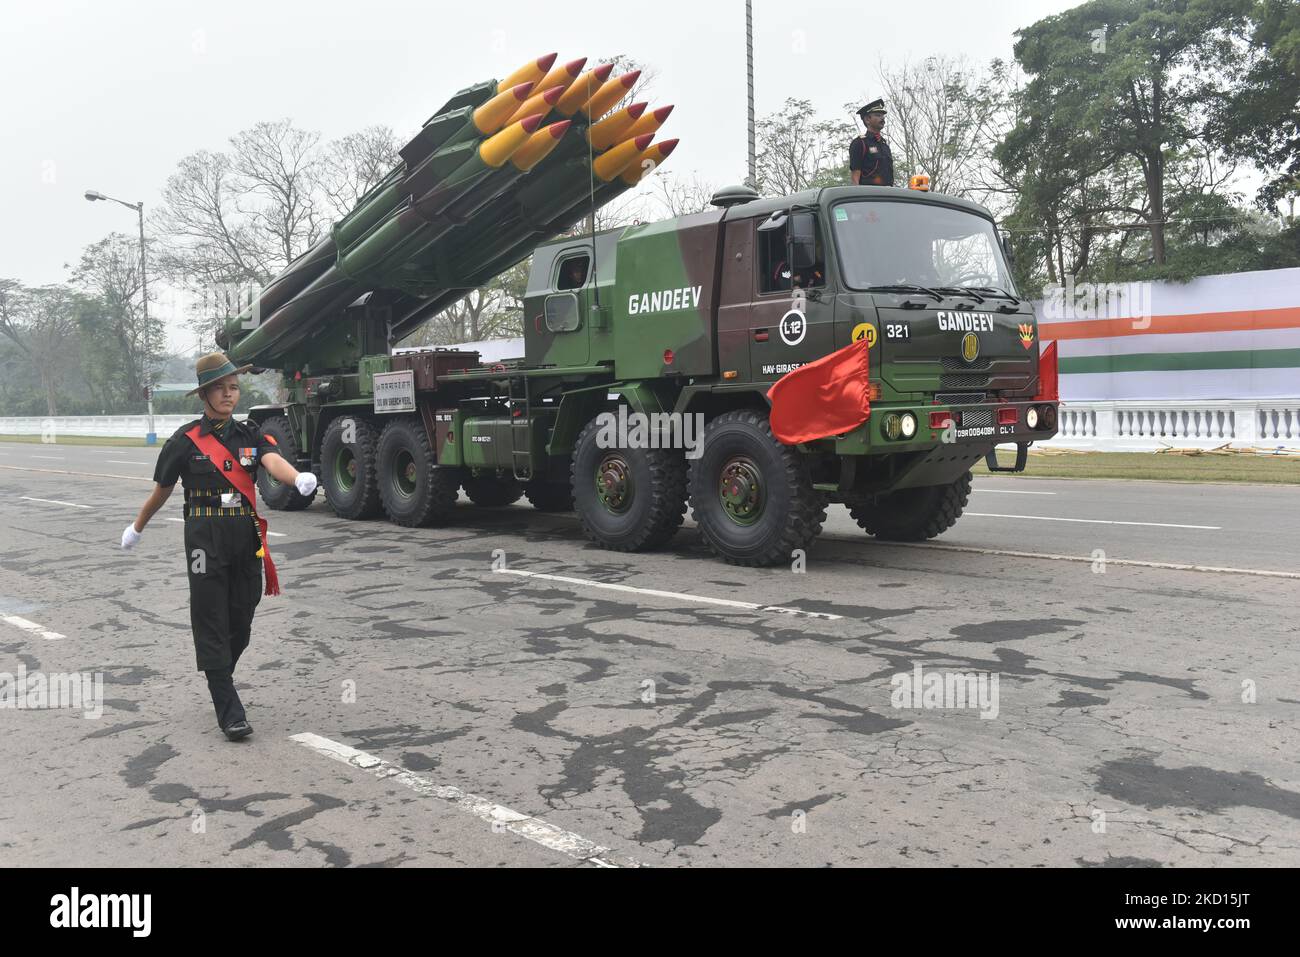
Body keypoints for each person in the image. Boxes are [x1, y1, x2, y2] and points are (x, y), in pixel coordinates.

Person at [120, 353, 317, 742]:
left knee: (242, 615)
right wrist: (137, 527)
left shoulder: (250, 434)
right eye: (221, 389)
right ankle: (229, 710)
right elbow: (161, 491)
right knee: (210, 617)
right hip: (203, 535)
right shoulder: (185, 440)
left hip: (244, 534)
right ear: (204, 394)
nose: (229, 395)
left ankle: (219, 672)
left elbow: (272, 459)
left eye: (233, 388)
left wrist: (297, 478)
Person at [850, 98, 895, 187]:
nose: (882, 118)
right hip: (869, 195)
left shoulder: (884, 145)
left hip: (887, 194)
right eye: (878, 115)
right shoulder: (860, 143)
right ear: (867, 119)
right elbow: (855, 176)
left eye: (883, 116)